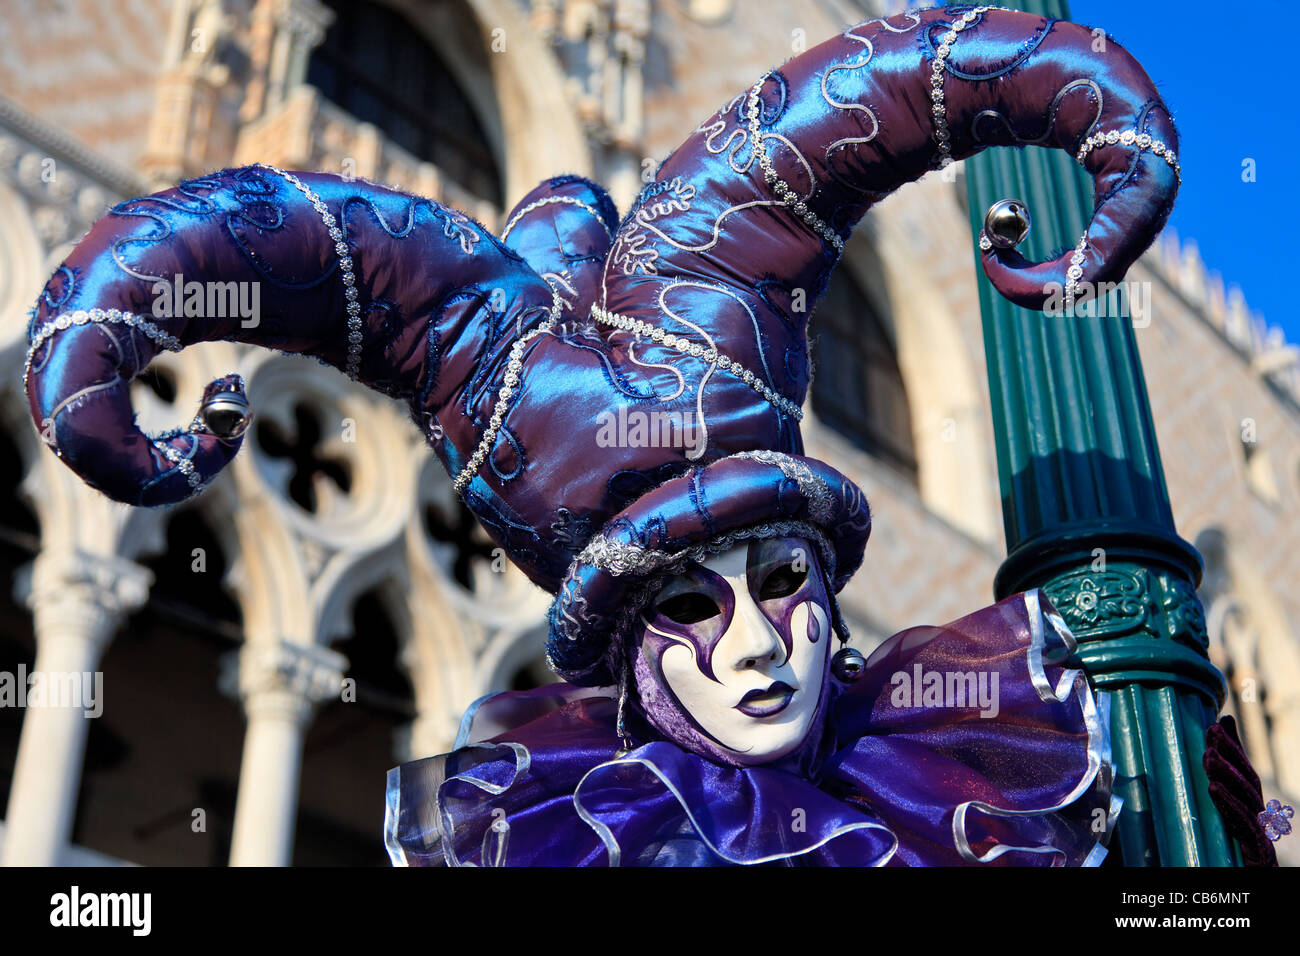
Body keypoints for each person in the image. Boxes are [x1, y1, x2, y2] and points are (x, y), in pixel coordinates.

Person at [22, 5, 1273, 865]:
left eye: (782, 580)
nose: (756, 650)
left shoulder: (973, 768)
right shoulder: (589, 825)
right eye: (681, 606)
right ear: (619, 654)